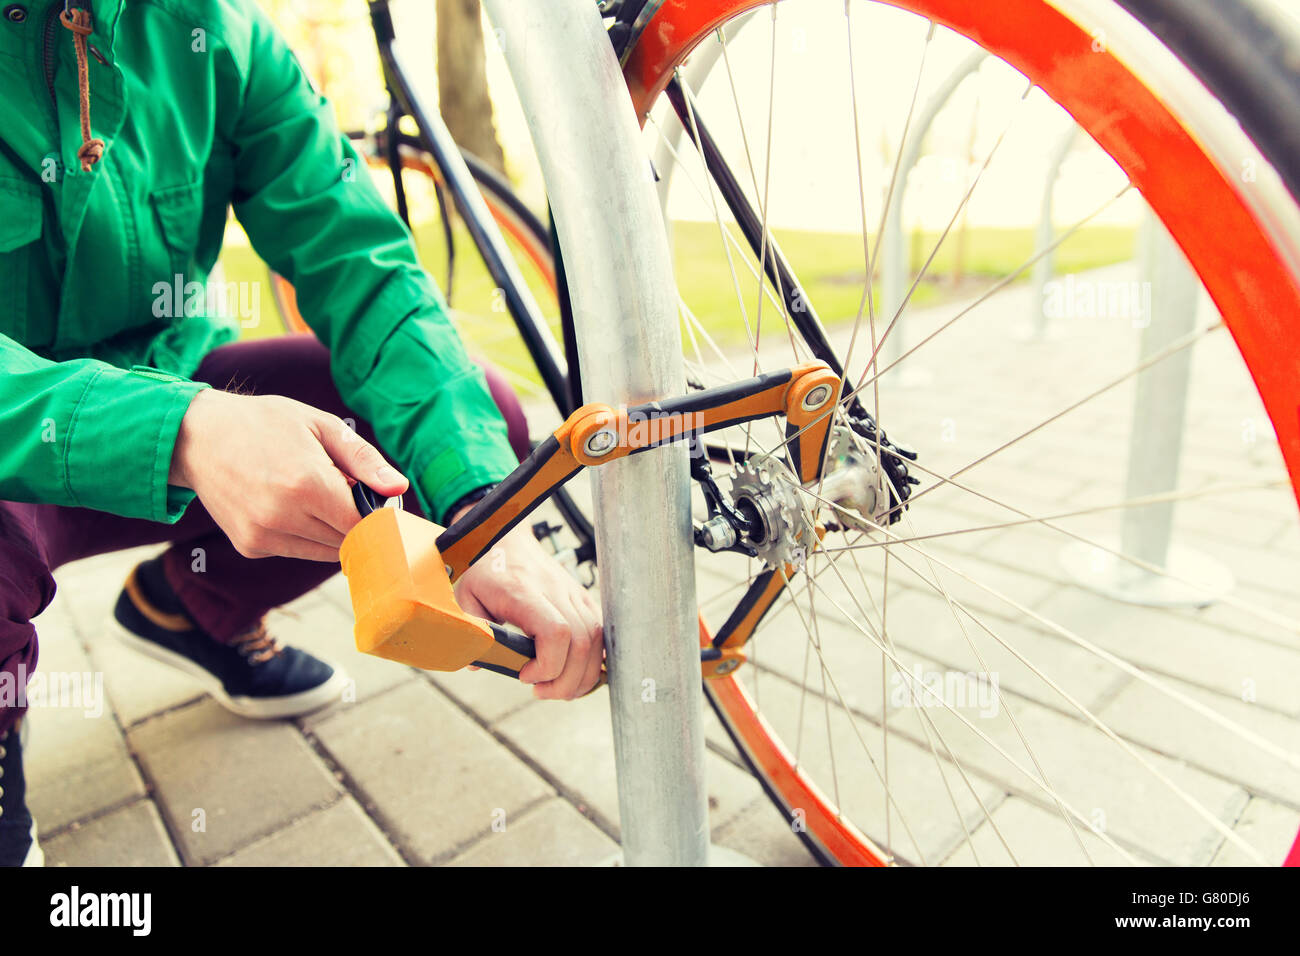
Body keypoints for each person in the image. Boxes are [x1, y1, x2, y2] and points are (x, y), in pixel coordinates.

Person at [0, 0, 604, 867]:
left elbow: (363, 267)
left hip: (166, 386)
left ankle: (193, 608)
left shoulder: (222, 36)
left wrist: (483, 513)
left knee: (460, 431)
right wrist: (180, 431)